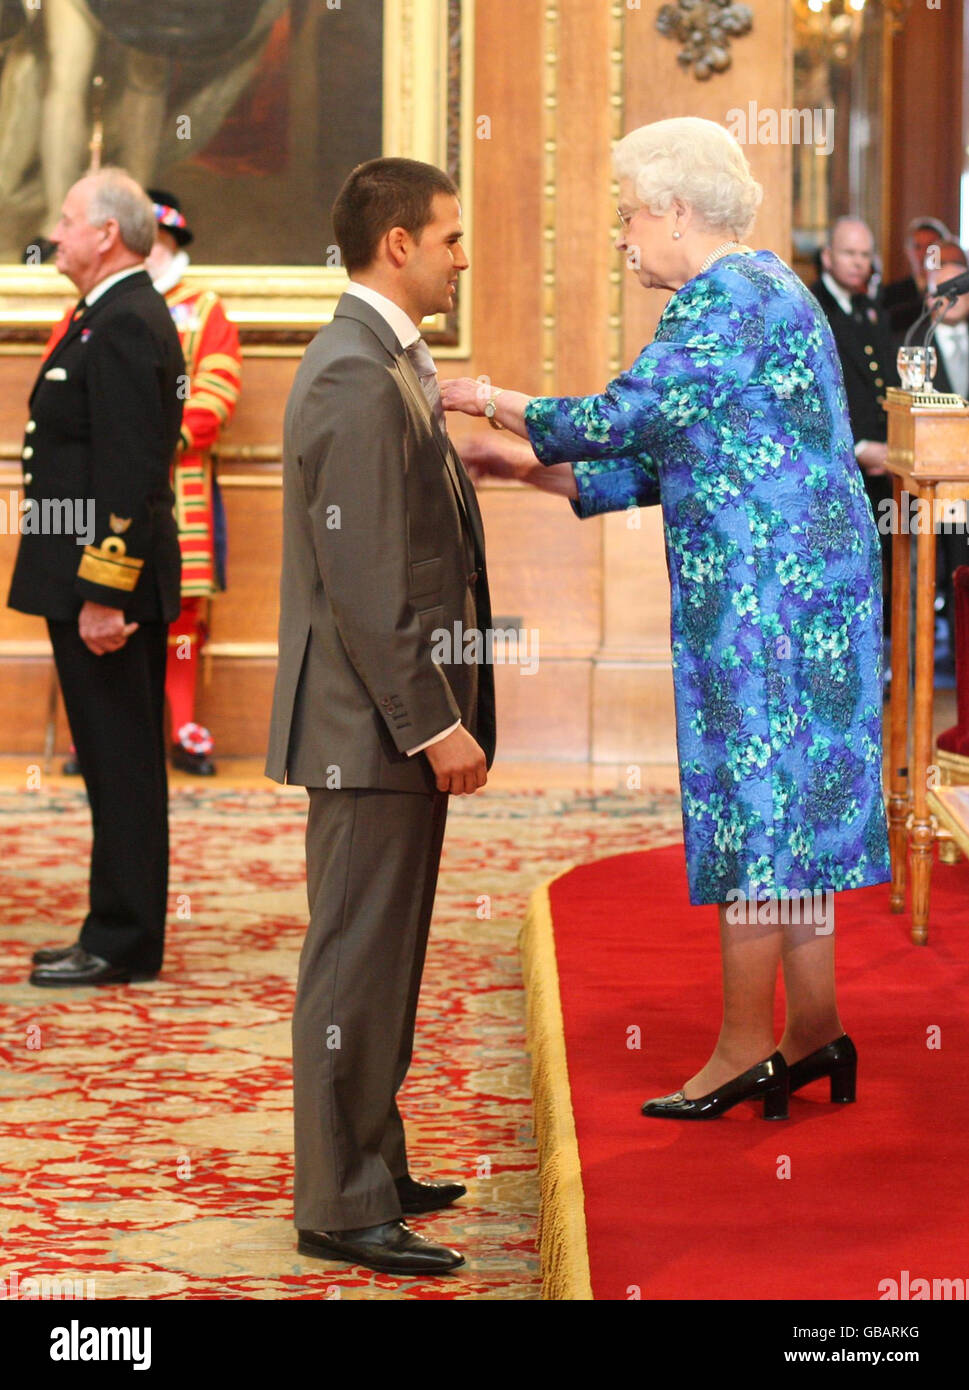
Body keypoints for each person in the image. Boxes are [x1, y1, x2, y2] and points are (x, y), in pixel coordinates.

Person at [444, 117, 890, 1120]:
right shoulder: (779, 286)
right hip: (811, 595)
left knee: (757, 812)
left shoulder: (721, 298)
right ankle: (813, 1028)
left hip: (768, 605)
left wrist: (478, 395)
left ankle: (743, 1048)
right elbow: (673, 452)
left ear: (676, 209)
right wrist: (527, 467)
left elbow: (619, 414)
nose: (622, 235)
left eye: (628, 213)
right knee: (794, 817)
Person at [265, 157, 495, 1272]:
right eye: (450, 236)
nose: (461, 254)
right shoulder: (359, 372)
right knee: (354, 964)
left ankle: (373, 1159)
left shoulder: (387, 359)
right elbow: (365, 585)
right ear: (397, 244)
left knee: (385, 956)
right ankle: (340, 1202)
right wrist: (432, 720)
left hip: (385, 720)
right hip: (372, 728)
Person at [10, 167, 184, 987]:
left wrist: (104, 593)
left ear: (106, 234)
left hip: (101, 587)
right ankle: (111, 926)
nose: (57, 231)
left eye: (69, 219)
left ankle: (120, 940)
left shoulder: (121, 322)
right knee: (113, 762)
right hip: (87, 579)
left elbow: (128, 469)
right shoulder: (105, 315)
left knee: (120, 765)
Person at [146, 188, 242, 775]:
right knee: (107, 603)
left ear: (173, 244)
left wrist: (160, 440)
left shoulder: (204, 309)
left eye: (157, 243)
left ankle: (183, 726)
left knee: (181, 609)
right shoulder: (90, 309)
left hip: (181, 480)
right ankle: (101, 733)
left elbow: (218, 389)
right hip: (105, 487)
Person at [810, 217, 899, 635]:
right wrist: (857, 446)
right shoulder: (813, 309)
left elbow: (885, 387)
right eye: (849, 253)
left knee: (888, 567)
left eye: (865, 254)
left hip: (884, 466)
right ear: (827, 256)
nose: (858, 263)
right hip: (838, 464)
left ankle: (885, 662)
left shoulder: (871, 310)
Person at [882, 215, 953, 338]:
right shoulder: (891, 293)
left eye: (931, 246)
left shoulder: (956, 290)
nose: (924, 253)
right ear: (908, 251)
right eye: (917, 247)